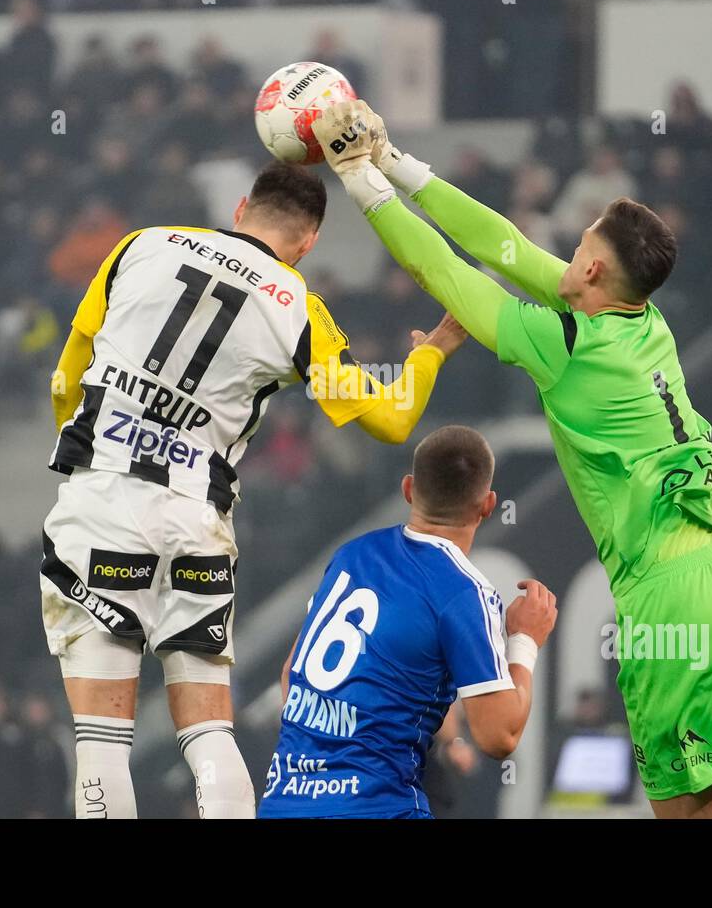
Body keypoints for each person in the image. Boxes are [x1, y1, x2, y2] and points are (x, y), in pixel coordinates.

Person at [311, 101, 712, 819]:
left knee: (699, 812)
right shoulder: (644, 320)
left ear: (595, 266)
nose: (564, 255)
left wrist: (362, 186)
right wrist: (398, 164)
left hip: (672, 598)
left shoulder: (566, 346)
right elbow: (505, 246)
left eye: (577, 245)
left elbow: (448, 273)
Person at [41, 160, 467, 819]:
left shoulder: (141, 245)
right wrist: (432, 349)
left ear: (242, 207)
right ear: (310, 242)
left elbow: (66, 381)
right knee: (210, 731)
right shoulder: (299, 308)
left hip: (103, 507)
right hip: (196, 523)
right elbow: (390, 420)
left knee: (102, 739)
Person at [258, 426, 556, 818]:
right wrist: (524, 641)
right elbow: (498, 735)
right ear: (487, 505)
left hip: (284, 802)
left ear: (408, 488)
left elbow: (290, 674)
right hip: (377, 806)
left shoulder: (352, 556)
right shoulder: (464, 592)